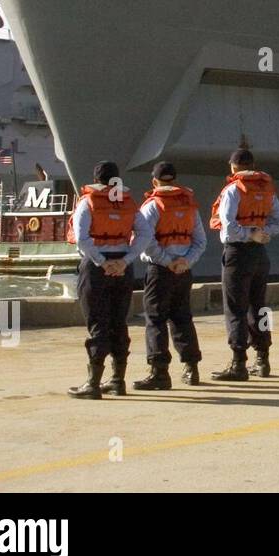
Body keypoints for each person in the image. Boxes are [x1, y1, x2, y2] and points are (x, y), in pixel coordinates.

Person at [66, 161, 147, 399]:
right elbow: (145, 233)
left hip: (95, 267)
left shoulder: (88, 202)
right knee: (119, 322)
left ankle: (93, 384)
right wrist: (126, 260)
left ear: (96, 179)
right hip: (123, 267)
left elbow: (81, 238)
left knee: (98, 323)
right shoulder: (129, 203)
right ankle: (117, 381)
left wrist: (102, 261)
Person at [209, 148, 279, 381]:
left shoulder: (233, 190)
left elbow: (228, 226)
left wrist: (249, 234)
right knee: (260, 306)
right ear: (253, 166)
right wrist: (263, 232)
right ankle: (263, 359)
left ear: (233, 167)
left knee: (236, 308)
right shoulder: (266, 190)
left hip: (238, 254)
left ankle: (238, 363)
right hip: (260, 255)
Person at [132, 162, 206, 390]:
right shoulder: (190, 205)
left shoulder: (152, 206)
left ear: (154, 181)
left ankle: (159, 372)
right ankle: (191, 368)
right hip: (184, 271)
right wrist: (185, 262)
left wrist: (167, 262)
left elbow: (145, 242)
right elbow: (200, 241)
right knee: (182, 317)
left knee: (155, 319)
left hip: (160, 271)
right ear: (174, 180)